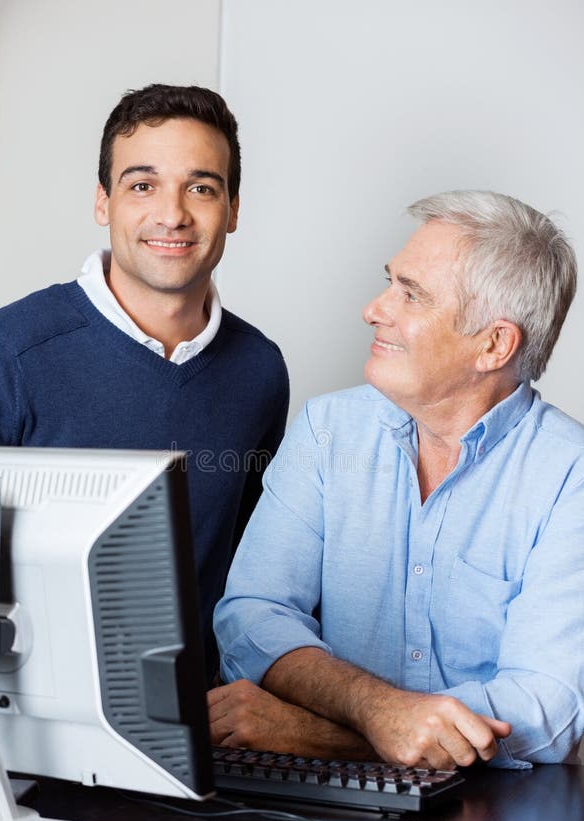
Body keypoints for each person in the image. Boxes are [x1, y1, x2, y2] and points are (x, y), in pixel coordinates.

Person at [210, 190, 584, 769]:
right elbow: (253, 614)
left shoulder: (570, 474)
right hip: (312, 817)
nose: (374, 308)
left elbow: (546, 705)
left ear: (494, 344)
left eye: (411, 294)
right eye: (391, 282)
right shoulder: (327, 430)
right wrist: (375, 710)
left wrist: (329, 735)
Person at [0, 84, 289, 681]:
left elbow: (251, 571)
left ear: (233, 210)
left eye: (201, 188)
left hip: (196, 727)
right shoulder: (4, 352)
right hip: (25, 718)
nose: (173, 214)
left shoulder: (259, 369)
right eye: (142, 185)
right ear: (102, 202)